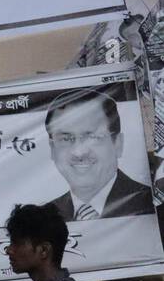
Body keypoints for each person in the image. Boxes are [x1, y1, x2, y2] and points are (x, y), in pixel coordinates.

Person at [42, 89, 152, 220]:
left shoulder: (150, 203)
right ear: (52, 149)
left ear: (118, 143)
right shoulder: (45, 217)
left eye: (92, 137)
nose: (79, 152)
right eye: (66, 139)